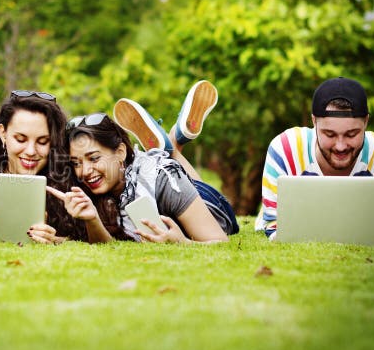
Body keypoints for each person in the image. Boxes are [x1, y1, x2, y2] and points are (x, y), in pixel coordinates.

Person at [48, 81, 238, 244]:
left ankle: (171, 149)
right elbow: (105, 241)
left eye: (94, 158)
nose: (84, 171)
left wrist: (183, 242)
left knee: (183, 183)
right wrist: (57, 239)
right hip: (163, 182)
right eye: (76, 163)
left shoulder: (163, 182)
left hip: (213, 208)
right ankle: (170, 147)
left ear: (120, 152)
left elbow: (220, 241)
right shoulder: (85, 190)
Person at [256, 77, 374, 242]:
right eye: (330, 134)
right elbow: (274, 224)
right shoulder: (285, 149)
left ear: (366, 122)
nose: (340, 146)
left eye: (351, 134)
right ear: (314, 121)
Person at [0, 90, 79, 243]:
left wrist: (55, 239)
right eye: (20, 139)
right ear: (3, 133)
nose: (31, 151)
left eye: (42, 142)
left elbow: (85, 238)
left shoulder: (65, 164)